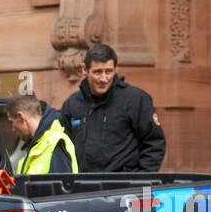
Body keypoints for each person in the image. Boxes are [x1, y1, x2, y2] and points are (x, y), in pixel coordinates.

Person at [60, 43, 166, 172]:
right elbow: (63, 148)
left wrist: (140, 180)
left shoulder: (136, 100)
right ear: (84, 70)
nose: (104, 79)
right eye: (97, 72)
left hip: (125, 188)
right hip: (84, 187)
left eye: (108, 71)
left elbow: (155, 143)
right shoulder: (72, 105)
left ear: (116, 69)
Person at [4, 95, 77, 174]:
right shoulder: (37, 145)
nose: (13, 129)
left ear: (21, 117)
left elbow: (62, 184)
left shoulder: (55, 143)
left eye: (12, 121)